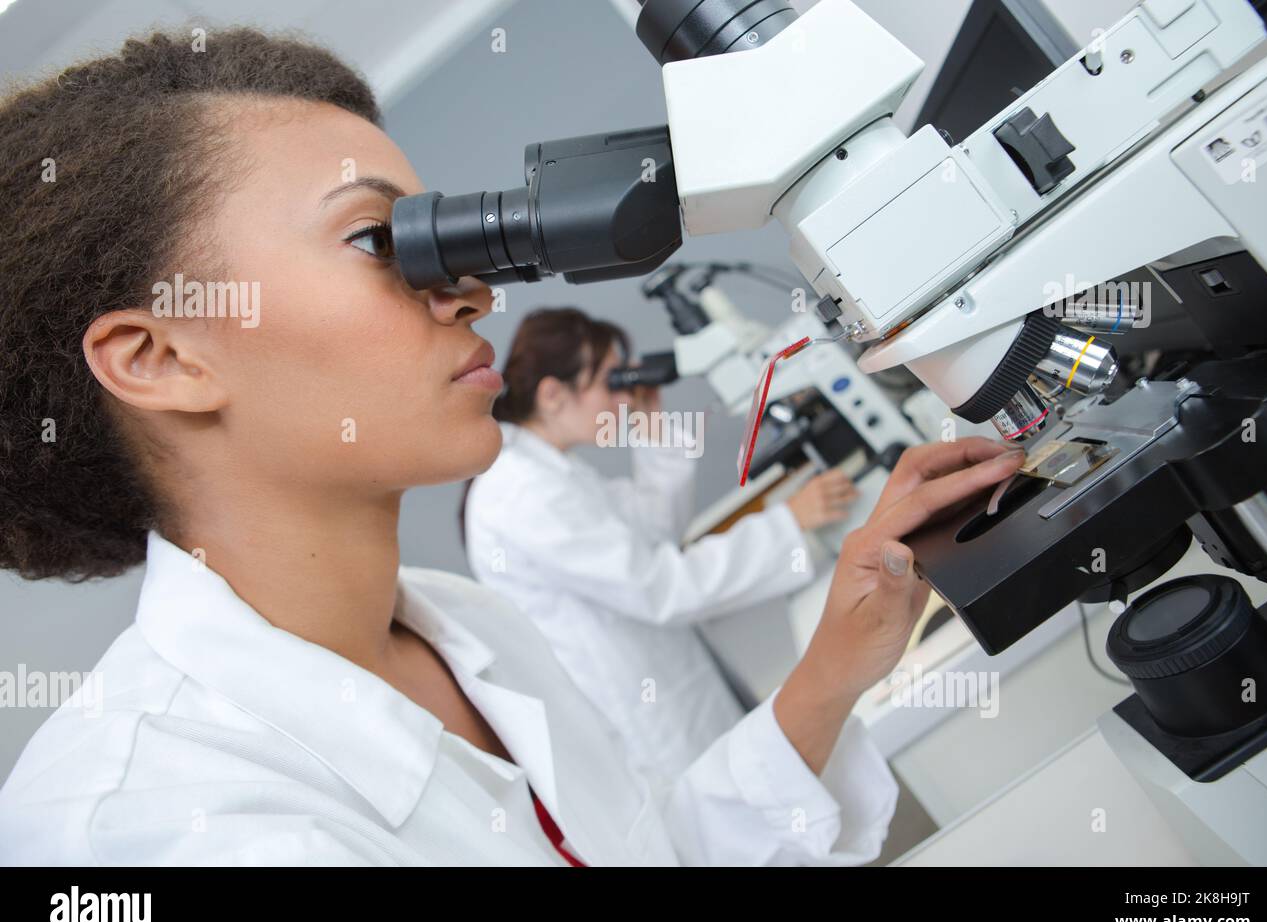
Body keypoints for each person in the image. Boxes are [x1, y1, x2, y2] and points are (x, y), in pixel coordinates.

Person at [0, 29, 1025, 865]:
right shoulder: (145, 826)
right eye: (375, 239)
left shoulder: (472, 630)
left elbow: (658, 854)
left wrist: (840, 655)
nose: (474, 288)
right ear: (161, 355)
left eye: (433, 229)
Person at [464, 307, 861, 786]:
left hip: (671, 688)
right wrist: (787, 525)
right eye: (612, 380)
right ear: (553, 394)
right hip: (650, 727)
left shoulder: (552, 473)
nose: (622, 394)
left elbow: (652, 535)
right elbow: (662, 587)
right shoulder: (523, 490)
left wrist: (650, 428)